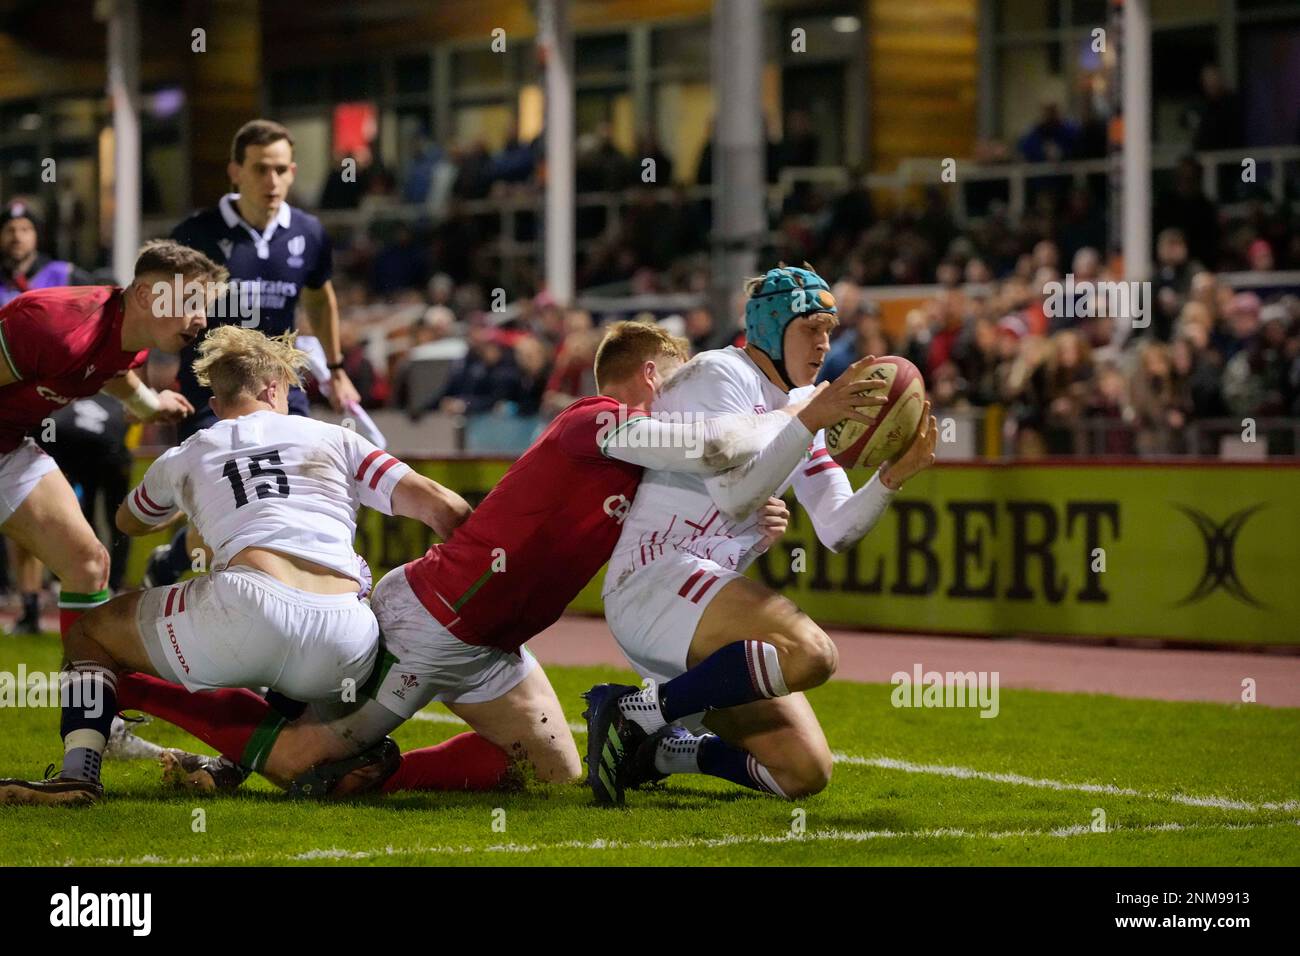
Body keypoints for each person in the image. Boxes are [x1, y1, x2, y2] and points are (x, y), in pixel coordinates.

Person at [113, 320, 880, 799]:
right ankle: (144, 690)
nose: (691, 395)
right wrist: (797, 413)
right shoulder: (596, 422)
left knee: (557, 776)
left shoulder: (655, 475)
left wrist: (750, 521)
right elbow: (711, 443)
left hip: (493, 650)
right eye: (679, 381)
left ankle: (378, 773)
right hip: (430, 622)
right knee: (295, 763)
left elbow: (680, 529)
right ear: (652, 377)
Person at [0, 326, 469, 805]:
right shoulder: (335, 438)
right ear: (271, 388)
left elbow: (128, 520)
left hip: (247, 609)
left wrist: (190, 498)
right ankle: (257, 763)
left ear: (218, 401)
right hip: (347, 638)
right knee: (292, 671)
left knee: (91, 634)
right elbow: (443, 507)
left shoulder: (191, 451)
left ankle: (79, 774)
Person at [584, 264, 937, 804]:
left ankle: (655, 750)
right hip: (653, 578)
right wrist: (805, 418)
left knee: (804, 773)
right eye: (810, 328)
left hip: (699, 603)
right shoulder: (718, 373)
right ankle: (638, 715)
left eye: (828, 330)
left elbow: (838, 530)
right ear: (771, 329)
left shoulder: (804, 407)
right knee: (812, 653)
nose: (824, 344)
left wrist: (890, 479)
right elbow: (733, 495)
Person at [146, 118, 361, 588]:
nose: (274, 181)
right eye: (262, 169)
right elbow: (154, 306)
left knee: (307, 486)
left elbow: (319, 297)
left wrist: (338, 367)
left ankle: (298, 591)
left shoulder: (308, 232)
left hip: (282, 390)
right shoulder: (195, 235)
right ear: (235, 172)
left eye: (282, 169)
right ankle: (176, 562)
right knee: (220, 500)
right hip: (211, 391)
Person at [0, 240, 214, 648]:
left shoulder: (132, 341)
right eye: (190, 301)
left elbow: (113, 370)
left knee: (88, 564)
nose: (201, 319)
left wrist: (149, 404)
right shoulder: (56, 324)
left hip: (9, 448)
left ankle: (89, 705)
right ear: (147, 295)